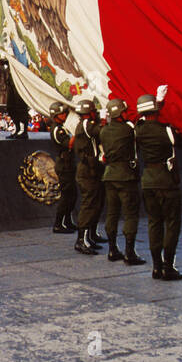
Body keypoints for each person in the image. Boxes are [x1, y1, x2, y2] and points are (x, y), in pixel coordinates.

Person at [136, 87, 182, 280]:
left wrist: (157, 103)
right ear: (156, 111)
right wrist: (161, 103)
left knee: (154, 223)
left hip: (148, 180)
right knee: (172, 224)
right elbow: (181, 142)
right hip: (166, 181)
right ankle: (168, 266)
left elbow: (141, 121)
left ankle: (156, 267)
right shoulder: (167, 130)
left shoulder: (138, 130)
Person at [99, 98, 145, 265]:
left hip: (109, 175)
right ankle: (129, 252)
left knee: (112, 213)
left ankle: (112, 249)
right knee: (130, 215)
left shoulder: (104, 131)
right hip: (126, 176)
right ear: (121, 113)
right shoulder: (128, 129)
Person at [72, 97, 106, 255]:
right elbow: (101, 133)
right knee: (89, 204)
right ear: (89, 113)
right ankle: (81, 240)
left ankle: (90, 235)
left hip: (92, 169)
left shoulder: (84, 124)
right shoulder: (87, 124)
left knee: (95, 203)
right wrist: (105, 120)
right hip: (88, 171)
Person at [47, 101, 77, 234]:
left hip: (69, 163)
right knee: (66, 195)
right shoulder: (57, 130)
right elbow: (68, 144)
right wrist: (78, 132)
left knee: (72, 195)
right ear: (56, 115)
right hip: (63, 165)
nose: (65, 115)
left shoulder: (62, 127)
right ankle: (58, 223)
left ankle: (68, 221)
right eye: (63, 113)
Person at [5, 62, 29, 139]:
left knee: (20, 105)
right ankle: (17, 128)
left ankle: (23, 131)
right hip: (11, 78)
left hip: (20, 78)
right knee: (10, 106)